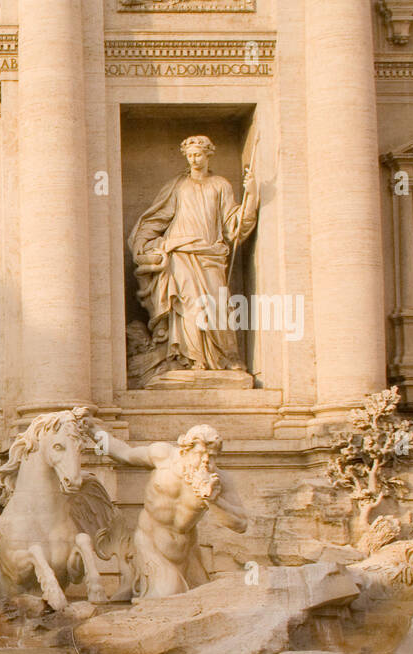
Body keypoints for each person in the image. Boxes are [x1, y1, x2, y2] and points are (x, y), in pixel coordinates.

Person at [129, 135, 258, 373]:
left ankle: (225, 358)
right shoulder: (178, 186)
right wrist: (142, 244)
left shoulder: (221, 185)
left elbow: (234, 225)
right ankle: (191, 359)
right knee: (189, 307)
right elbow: (157, 218)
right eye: (189, 156)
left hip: (211, 254)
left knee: (219, 306)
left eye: (198, 154)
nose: (193, 159)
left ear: (208, 155)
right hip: (180, 253)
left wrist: (250, 197)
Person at [99, 424, 248, 599]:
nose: (206, 460)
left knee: (201, 601)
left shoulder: (219, 480)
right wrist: (93, 430)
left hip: (187, 552)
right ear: (186, 451)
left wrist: (214, 501)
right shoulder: (163, 456)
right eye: (200, 454)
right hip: (151, 544)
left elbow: (241, 524)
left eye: (212, 456)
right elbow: (124, 453)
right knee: (167, 598)